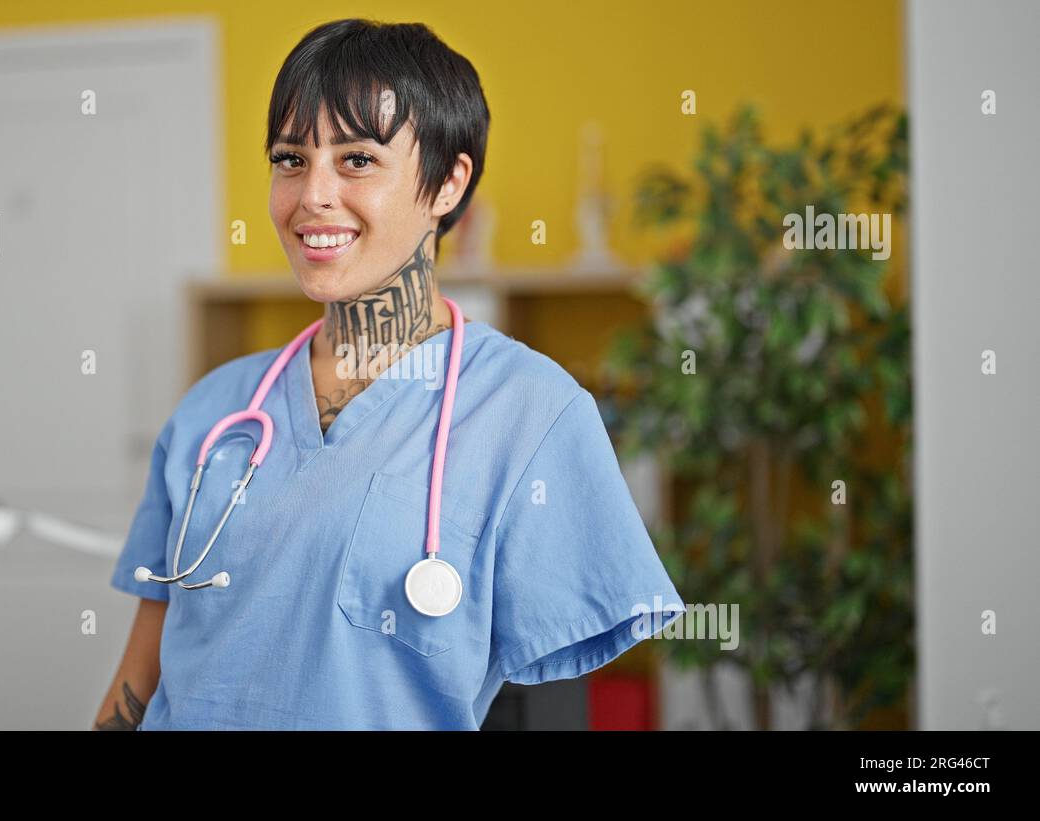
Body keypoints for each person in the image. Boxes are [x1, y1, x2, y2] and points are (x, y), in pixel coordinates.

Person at [93, 17, 684, 731]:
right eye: (289, 159)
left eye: (357, 160)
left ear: (448, 182)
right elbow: (139, 679)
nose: (311, 195)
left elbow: (560, 699)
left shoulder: (531, 413)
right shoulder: (213, 412)